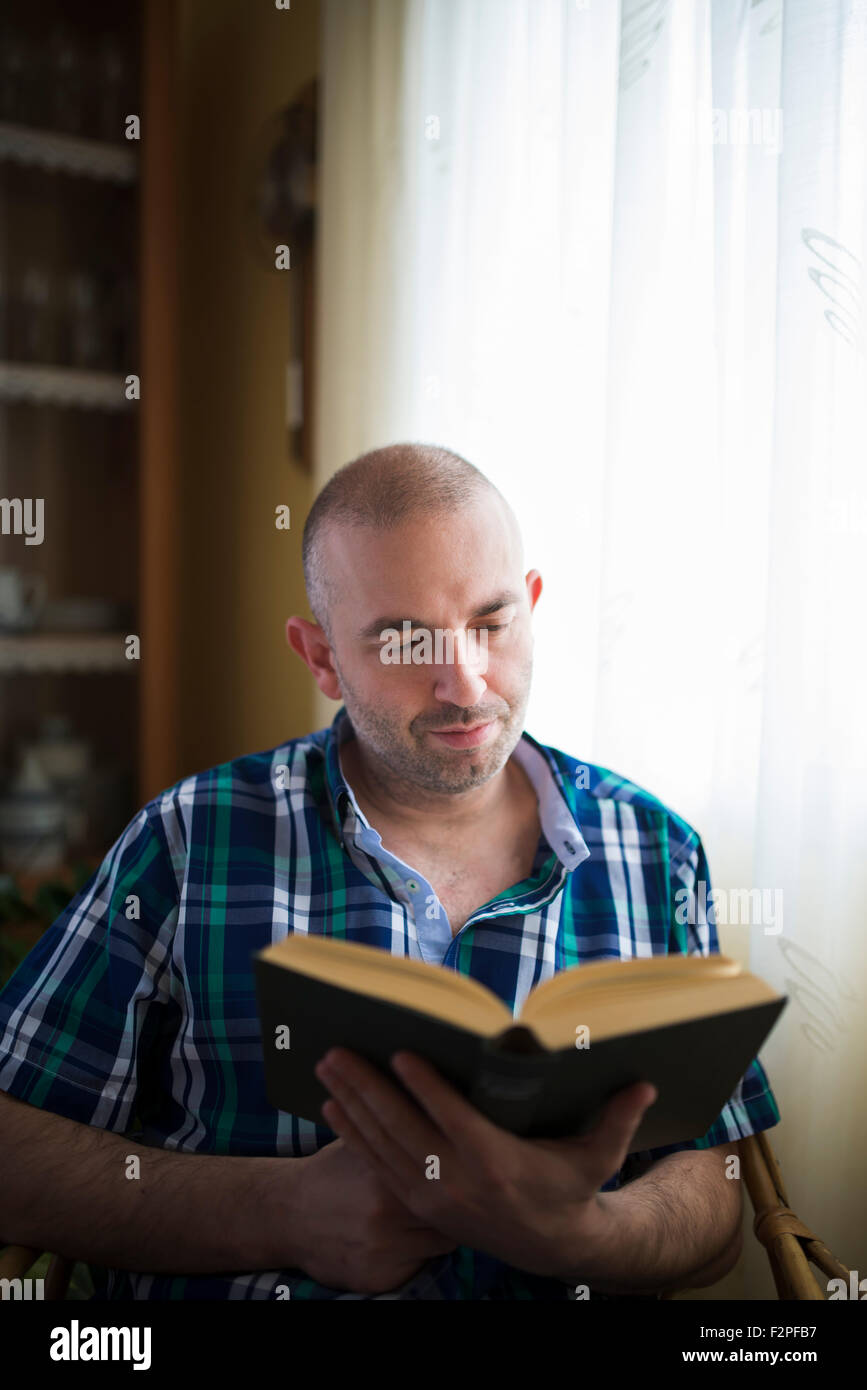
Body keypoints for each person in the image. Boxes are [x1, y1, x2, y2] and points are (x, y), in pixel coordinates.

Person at [0, 443, 779, 1300]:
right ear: (322, 658)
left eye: (491, 623)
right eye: (405, 639)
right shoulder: (189, 841)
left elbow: (715, 1186)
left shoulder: (655, 849)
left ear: (531, 605)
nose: (464, 684)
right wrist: (282, 1212)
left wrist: (584, 1236)